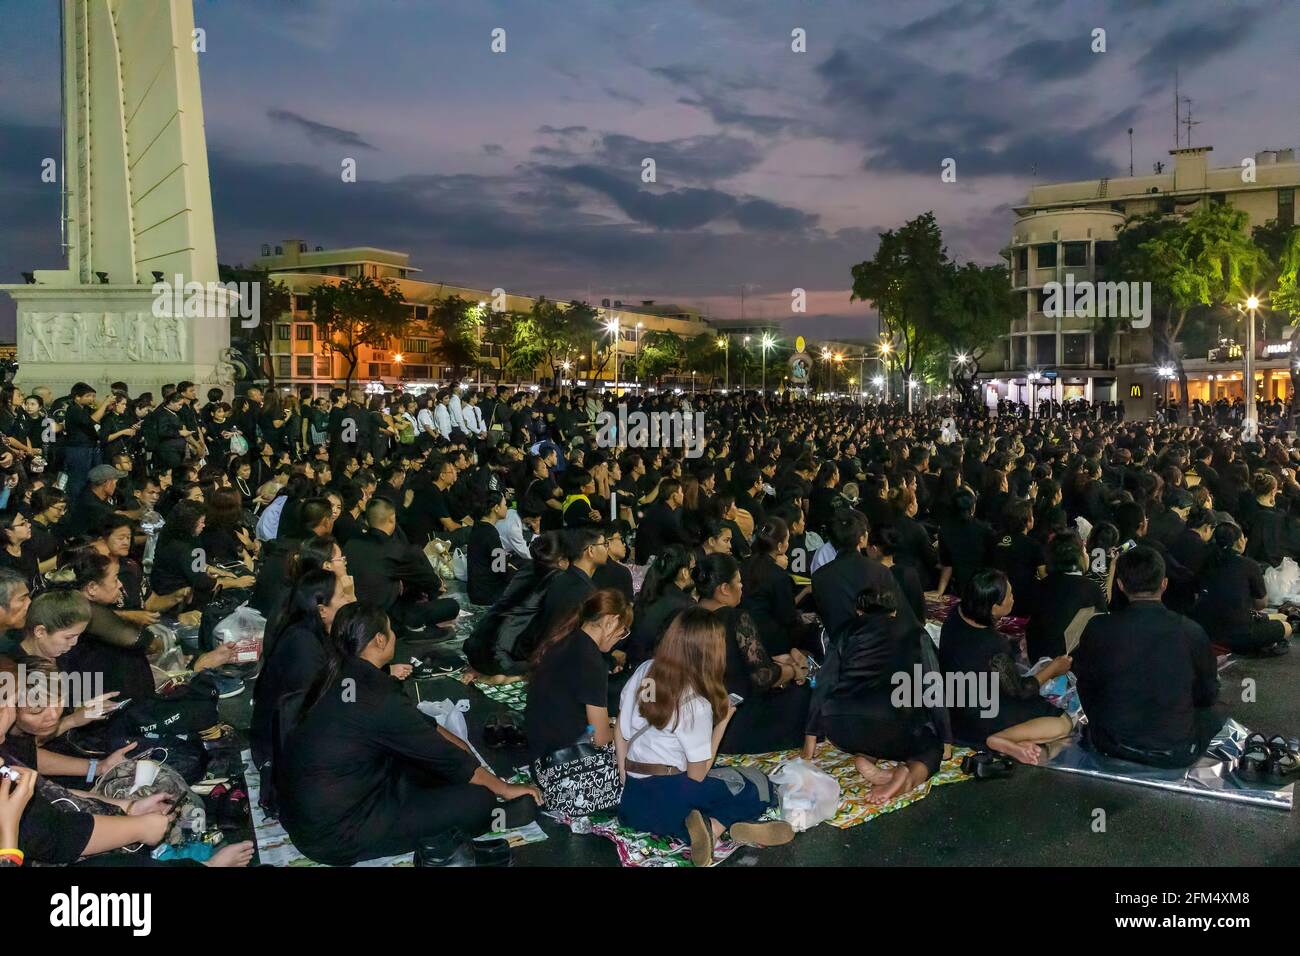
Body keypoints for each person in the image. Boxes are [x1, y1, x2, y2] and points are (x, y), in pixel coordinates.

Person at [277, 604, 541, 866]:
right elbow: (444, 756)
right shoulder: (374, 696)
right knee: (478, 799)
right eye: (391, 632)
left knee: (433, 767)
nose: (394, 637)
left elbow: (423, 727)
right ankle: (493, 814)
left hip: (327, 805)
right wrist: (503, 788)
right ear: (380, 640)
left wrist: (468, 755)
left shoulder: (340, 674)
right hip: (337, 832)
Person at [616, 606, 794, 867]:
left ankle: (701, 827)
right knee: (755, 783)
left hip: (633, 804)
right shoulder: (695, 703)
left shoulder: (646, 672)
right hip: (673, 795)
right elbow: (696, 774)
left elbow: (621, 732)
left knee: (716, 781)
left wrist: (626, 782)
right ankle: (716, 826)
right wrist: (722, 723)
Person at [1073, 546, 1225, 768]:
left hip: (1109, 742)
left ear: (1121, 585)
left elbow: (1084, 684)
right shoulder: (1191, 631)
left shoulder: (1098, 627)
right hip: (1175, 750)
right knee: (1215, 713)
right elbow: (1207, 693)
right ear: (1164, 583)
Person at [803, 584, 948, 803]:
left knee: (872, 730)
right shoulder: (915, 630)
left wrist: (809, 742)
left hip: (841, 728)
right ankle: (906, 778)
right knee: (931, 748)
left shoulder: (845, 631)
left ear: (859, 612)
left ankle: (868, 760)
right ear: (895, 612)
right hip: (894, 724)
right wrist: (945, 739)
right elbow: (934, 687)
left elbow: (823, 684)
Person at [938, 570, 1073, 764]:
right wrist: (1054, 668)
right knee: (1063, 722)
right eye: (1009, 595)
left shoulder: (956, 614)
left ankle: (1008, 739)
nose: (1013, 598)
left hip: (954, 711)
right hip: (980, 719)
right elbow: (1020, 690)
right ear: (993, 607)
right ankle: (1002, 739)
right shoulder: (993, 643)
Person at [694, 554, 811, 754]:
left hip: (698, 719)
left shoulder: (685, 617)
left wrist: (771, 661)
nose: (742, 588)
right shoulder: (736, 618)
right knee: (804, 694)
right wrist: (792, 671)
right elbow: (762, 676)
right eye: (738, 582)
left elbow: (732, 661)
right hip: (735, 720)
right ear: (723, 588)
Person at [250, 571, 353, 770]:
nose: (348, 600)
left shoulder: (310, 631)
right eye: (342, 596)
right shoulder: (304, 646)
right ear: (322, 610)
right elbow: (314, 711)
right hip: (281, 751)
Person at [525, 588, 630, 763]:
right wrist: (623, 730)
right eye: (623, 630)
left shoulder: (566, 638)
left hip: (539, 749)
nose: (621, 637)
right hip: (562, 763)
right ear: (611, 622)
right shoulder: (592, 660)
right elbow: (600, 737)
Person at [1190, 523, 1291, 655]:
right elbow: (1261, 604)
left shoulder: (1205, 562)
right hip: (1238, 634)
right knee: (1287, 626)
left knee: (1281, 616)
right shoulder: (1249, 565)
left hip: (1207, 630)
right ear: (1239, 542)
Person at [1025, 532, 1109, 662]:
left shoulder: (1040, 586)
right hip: (1077, 667)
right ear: (1079, 556)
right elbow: (1102, 634)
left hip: (1040, 664)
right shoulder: (1090, 588)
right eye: (1085, 551)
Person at [628, 545, 695, 666]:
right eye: (692, 569)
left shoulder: (648, 593)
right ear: (685, 572)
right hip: (657, 669)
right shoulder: (685, 603)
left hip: (635, 665)